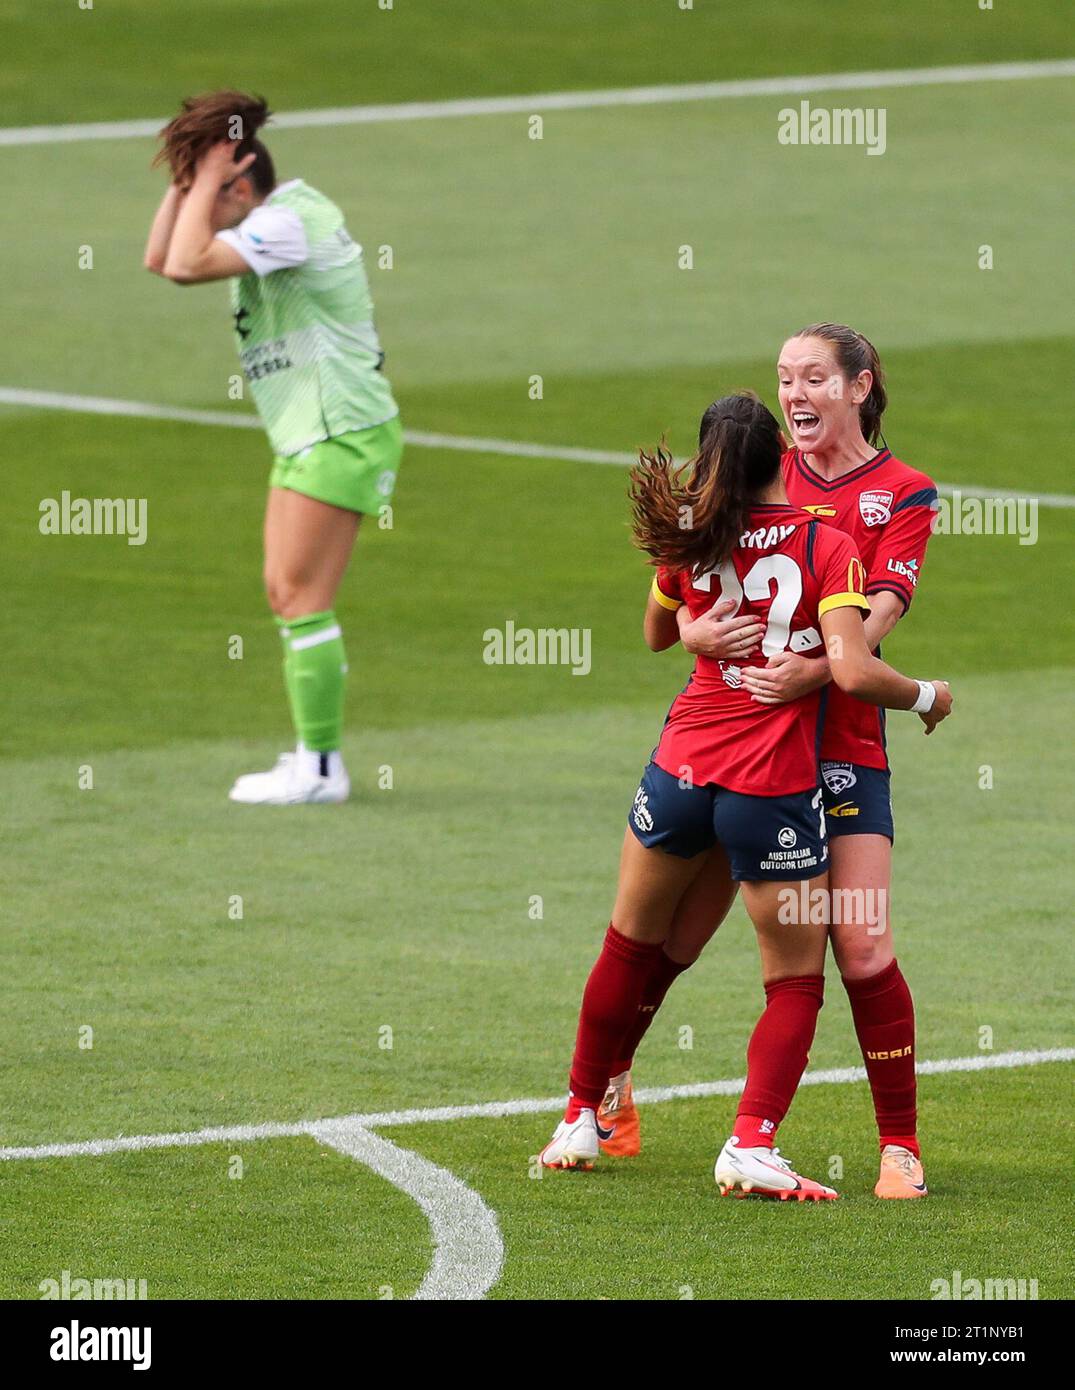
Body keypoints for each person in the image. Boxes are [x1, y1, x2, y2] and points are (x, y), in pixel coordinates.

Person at [538, 393, 951, 1199]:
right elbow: (857, 669)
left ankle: (578, 1118)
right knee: (794, 979)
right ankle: (750, 1142)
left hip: (681, 771)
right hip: (769, 786)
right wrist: (929, 696)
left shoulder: (693, 532)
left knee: (630, 943)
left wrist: (693, 630)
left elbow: (656, 633)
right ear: (781, 464)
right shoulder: (825, 544)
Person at [144, 91, 402, 804]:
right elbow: (161, 259)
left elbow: (188, 263)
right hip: (308, 432)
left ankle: (321, 769)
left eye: (207, 189)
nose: (198, 203)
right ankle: (312, 758)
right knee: (285, 595)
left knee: (302, 596)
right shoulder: (267, 220)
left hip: (340, 430)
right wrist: (190, 180)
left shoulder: (290, 221)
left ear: (240, 182)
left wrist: (201, 182)